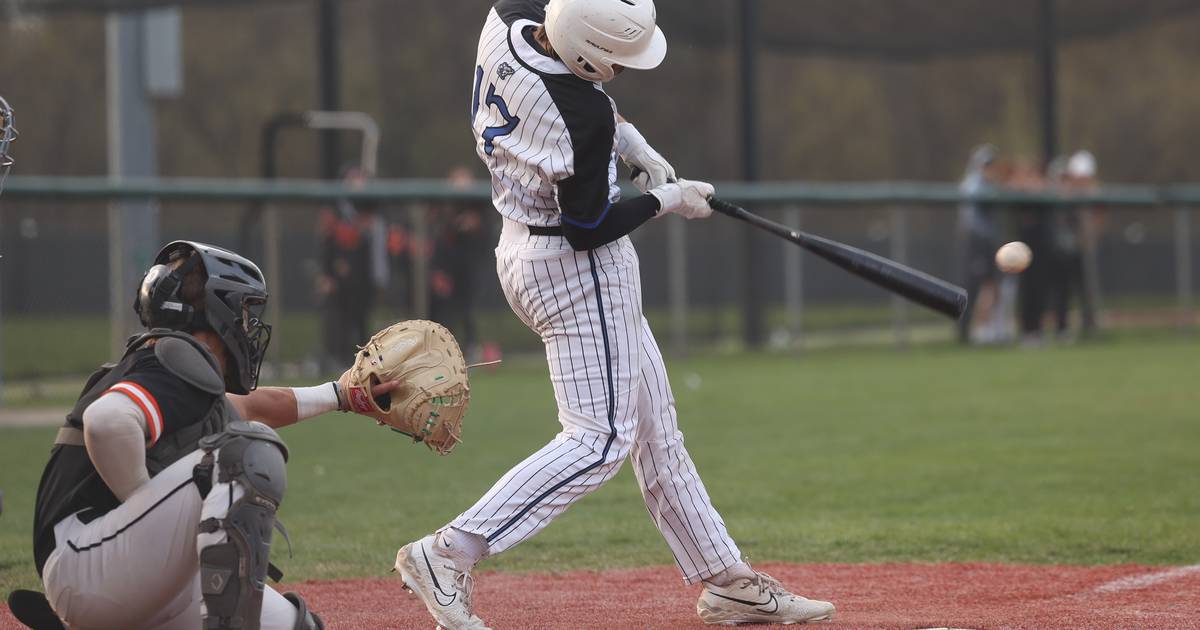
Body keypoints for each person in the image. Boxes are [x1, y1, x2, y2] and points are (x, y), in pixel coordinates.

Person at [394, 1, 835, 628]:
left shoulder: (507, 18)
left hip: (521, 247)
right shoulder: (582, 114)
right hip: (577, 272)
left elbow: (586, 111)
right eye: (613, 63)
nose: (621, 73)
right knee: (599, 440)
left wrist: (634, 143)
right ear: (583, 55)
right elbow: (588, 227)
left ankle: (726, 580)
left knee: (657, 432)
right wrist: (667, 198)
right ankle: (449, 552)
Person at [28, 240, 400, 629]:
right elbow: (107, 421)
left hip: (109, 564)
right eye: (243, 311)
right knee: (248, 453)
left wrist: (342, 395)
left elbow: (249, 406)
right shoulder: (169, 363)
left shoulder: (172, 368)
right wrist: (144, 505)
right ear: (217, 313)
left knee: (296, 626)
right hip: (89, 562)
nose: (247, 326)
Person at [316, 167, 389, 371]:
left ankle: (364, 364)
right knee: (339, 320)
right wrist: (328, 273)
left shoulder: (370, 208)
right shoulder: (336, 210)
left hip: (363, 278)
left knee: (362, 321)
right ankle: (337, 360)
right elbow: (327, 243)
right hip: (340, 279)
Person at [429, 167, 493, 357]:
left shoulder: (480, 207)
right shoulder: (443, 207)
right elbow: (439, 239)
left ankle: (471, 349)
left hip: (469, 270)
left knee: (467, 311)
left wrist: (474, 224)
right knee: (444, 313)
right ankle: (443, 352)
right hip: (446, 270)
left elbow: (485, 234)